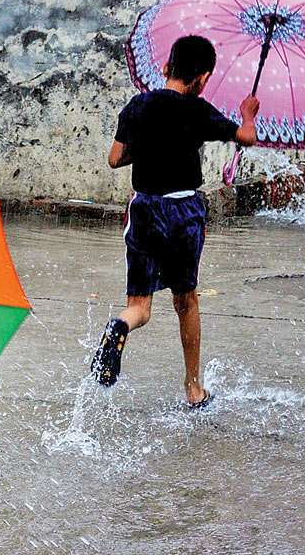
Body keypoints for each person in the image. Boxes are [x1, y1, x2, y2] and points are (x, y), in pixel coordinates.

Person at [93, 34, 260, 407]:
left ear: (167, 67)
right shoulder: (198, 111)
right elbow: (246, 136)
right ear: (203, 79)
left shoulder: (137, 106)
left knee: (139, 306)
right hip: (183, 212)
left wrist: (148, 149)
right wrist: (248, 113)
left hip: (144, 210)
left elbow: (115, 159)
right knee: (185, 299)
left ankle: (120, 325)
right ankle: (193, 387)